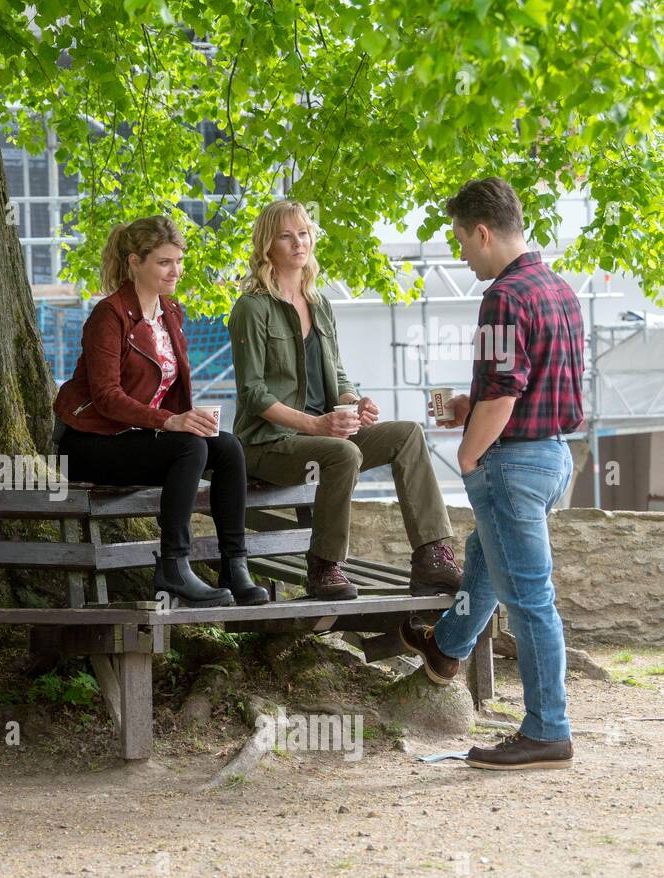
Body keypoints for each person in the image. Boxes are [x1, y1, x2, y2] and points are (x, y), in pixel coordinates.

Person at [400, 177, 581, 770]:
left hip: (513, 461)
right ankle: (447, 647)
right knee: (485, 556)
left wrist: (471, 453)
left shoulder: (503, 296)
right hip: (553, 454)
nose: (460, 253)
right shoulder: (558, 288)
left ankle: (547, 729)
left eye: (460, 240)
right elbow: (535, 385)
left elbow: (504, 393)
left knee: (530, 601)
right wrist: (467, 408)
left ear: (483, 231)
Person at [229, 200, 463, 599]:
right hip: (266, 444)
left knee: (406, 433)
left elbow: (337, 373)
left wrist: (353, 402)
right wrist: (316, 425)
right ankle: (324, 567)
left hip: (325, 438)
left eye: (303, 233)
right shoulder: (252, 308)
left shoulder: (319, 304)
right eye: (286, 235)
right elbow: (253, 394)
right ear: (267, 245)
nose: (298, 242)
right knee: (344, 454)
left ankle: (431, 558)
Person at [53, 216, 269, 607]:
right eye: (165, 262)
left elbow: (170, 391)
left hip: (139, 437)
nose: (176, 271)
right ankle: (173, 565)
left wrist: (188, 420)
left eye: (179, 261)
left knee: (227, 447)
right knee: (191, 448)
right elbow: (106, 397)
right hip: (90, 442)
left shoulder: (171, 312)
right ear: (135, 262)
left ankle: (234, 565)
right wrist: (170, 422)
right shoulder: (110, 315)